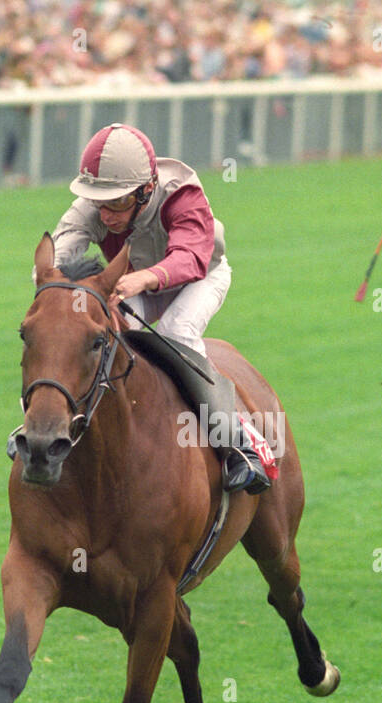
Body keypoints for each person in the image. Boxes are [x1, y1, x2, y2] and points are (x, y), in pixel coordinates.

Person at [48, 122, 272, 494]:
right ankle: (50, 431)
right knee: (100, 335)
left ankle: (237, 445)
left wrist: (146, 278)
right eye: (100, 203)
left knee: (175, 332)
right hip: (136, 280)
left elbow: (190, 258)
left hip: (200, 277)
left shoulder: (180, 195)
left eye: (118, 203)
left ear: (146, 189)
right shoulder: (96, 204)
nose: (106, 215)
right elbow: (63, 246)